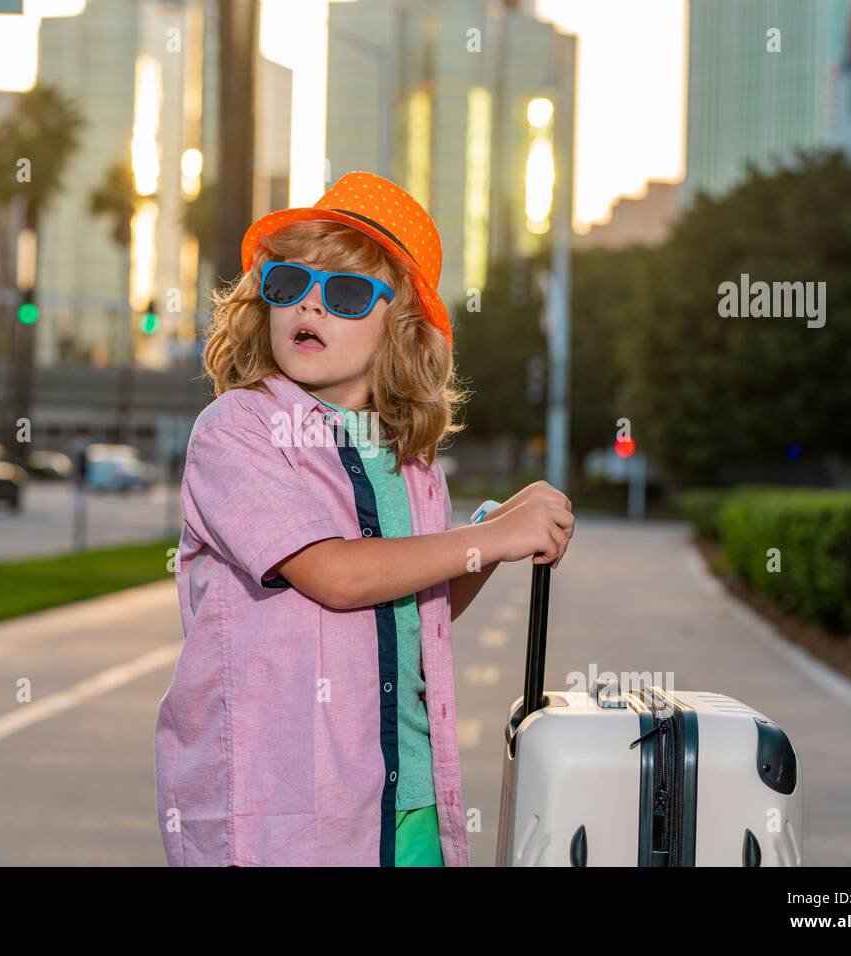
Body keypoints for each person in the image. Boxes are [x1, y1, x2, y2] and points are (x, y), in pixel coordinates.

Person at [154, 171, 575, 867]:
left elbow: (420, 608)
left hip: (402, 794)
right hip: (277, 808)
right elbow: (335, 575)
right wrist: (489, 536)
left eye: (346, 294)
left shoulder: (411, 463)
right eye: (289, 284)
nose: (309, 306)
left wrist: (494, 538)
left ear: (400, 326)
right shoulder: (238, 430)